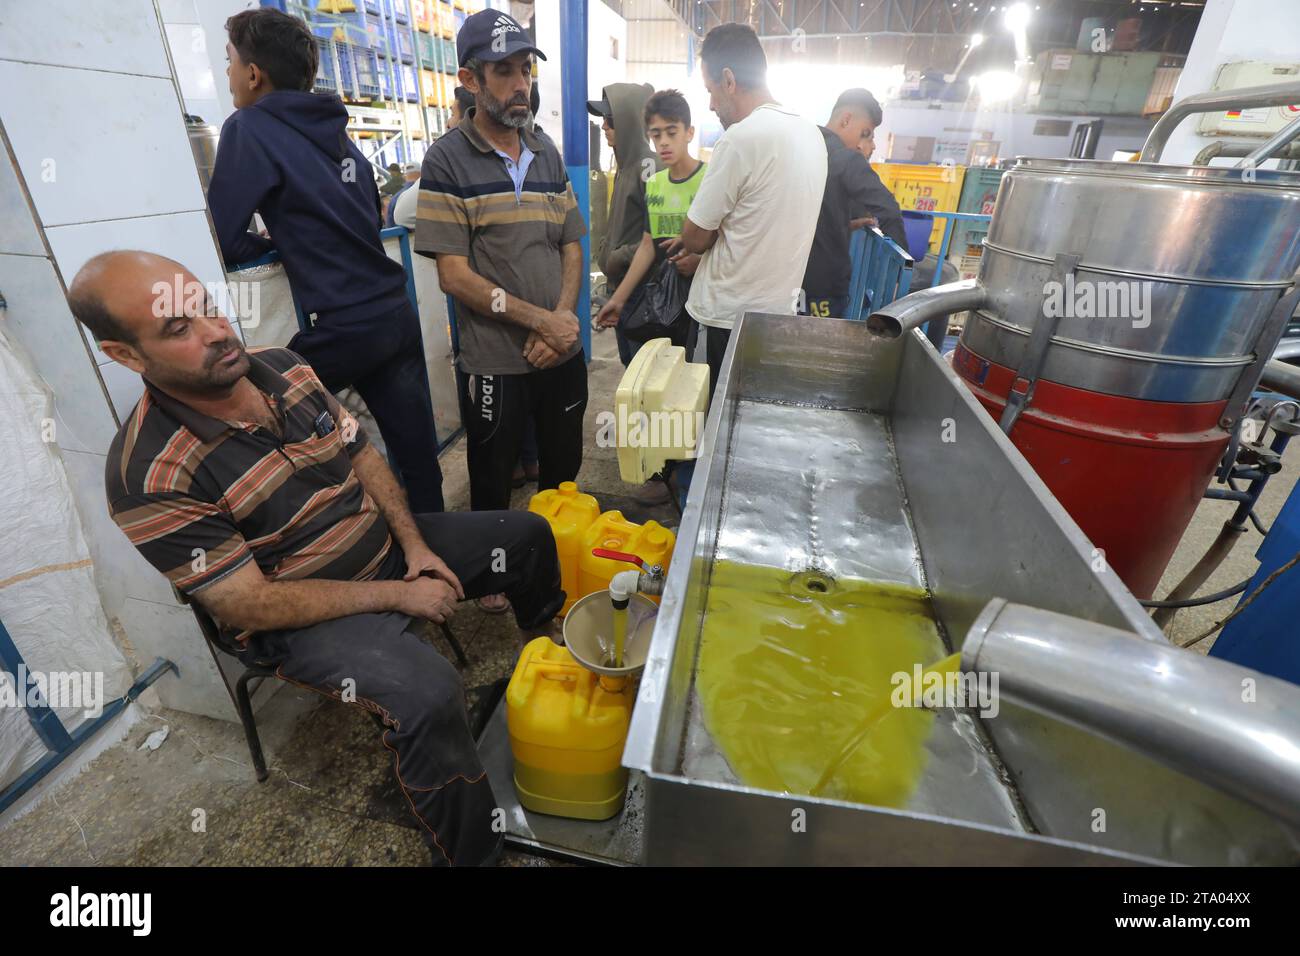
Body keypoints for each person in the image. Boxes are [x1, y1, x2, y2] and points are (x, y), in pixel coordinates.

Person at [69, 250, 567, 867]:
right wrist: (399, 595)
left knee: (525, 532)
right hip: (297, 618)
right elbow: (246, 602)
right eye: (179, 328)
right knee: (428, 692)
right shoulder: (149, 472)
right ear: (125, 356)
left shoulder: (285, 369)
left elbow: (363, 459)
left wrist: (413, 547)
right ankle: (474, 856)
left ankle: (548, 653)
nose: (218, 332)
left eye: (208, 308)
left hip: (387, 555)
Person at [206, 7, 445, 514]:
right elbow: (365, 215)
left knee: (258, 416)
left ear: (253, 73)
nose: (226, 72)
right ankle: (438, 558)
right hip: (394, 313)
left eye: (229, 61)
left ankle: (323, 541)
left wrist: (272, 249)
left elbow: (222, 237)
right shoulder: (337, 132)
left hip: (341, 327)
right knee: (418, 455)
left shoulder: (248, 127)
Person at [415, 10, 586, 611]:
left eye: (525, 70)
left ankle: (558, 547)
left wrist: (560, 322)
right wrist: (538, 322)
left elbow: (569, 242)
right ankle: (495, 573)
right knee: (492, 470)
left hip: (559, 347)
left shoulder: (546, 152)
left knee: (563, 461)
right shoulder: (447, 161)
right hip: (493, 358)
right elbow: (454, 275)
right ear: (469, 79)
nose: (521, 85)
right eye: (504, 72)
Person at [665, 23, 827, 394]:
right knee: (747, 429)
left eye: (709, 91)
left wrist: (712, 233)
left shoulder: (740, 138)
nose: (709, 104)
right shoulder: (811, 135)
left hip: (723, 321)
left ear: (729, 80)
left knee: (707, 429)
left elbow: (693, 236)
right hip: (775, 322)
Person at [594, 89, 707, 506]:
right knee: (661, 386)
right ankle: (664, 473)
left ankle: (687, 475)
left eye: (671, 132)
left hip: (700, 305)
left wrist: (699, 261)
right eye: (655, 133)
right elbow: (647, 245)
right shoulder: (655, 184)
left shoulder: (708, 180)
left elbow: (727, 241)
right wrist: (620, 299)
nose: (663, 142)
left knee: (693, 389)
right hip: (662, 301)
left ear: (689, 132)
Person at [802, 88, 906, 318]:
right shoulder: (847, 160)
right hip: (823, 290)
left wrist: (844, 223)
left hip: (781, 283)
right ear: (846, 119)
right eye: (866, 133)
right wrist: (900, 274)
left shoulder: (799, 148)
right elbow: (888, 209)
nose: (868, 144)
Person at [588, 83, 660, 367]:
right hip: (622, 292)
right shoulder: (625, 165)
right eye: (603, 119)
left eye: (611, 119)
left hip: (644, 297)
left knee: (645, 379)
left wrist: (618, 255)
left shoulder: (649, 167)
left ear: (629, 120)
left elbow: (661, 238)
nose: (604, 125)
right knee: (631, 372)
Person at [386, 162, 422, 229]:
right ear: (421, 174)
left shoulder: (395, 199)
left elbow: (390, 228)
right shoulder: (427, 193)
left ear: (404, 176)